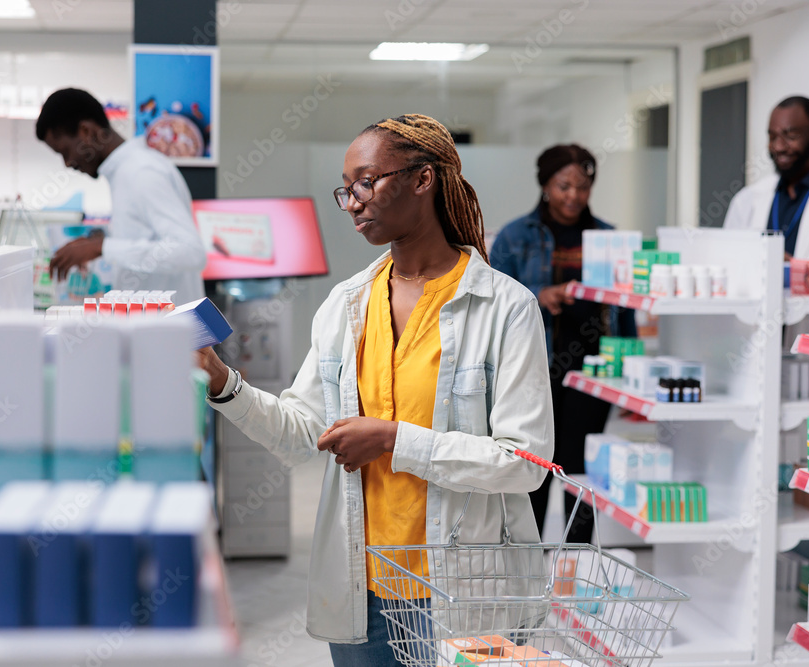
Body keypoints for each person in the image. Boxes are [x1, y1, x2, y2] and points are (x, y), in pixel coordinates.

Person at [198, 114, 553, 665]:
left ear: (422, 179)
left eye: (367, 181)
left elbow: (525, 462)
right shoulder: (346, 305)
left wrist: (393, 440)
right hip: (363, 591)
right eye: (347, 190)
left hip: (463, 593)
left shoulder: (505, 307)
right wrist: (222, 381)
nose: (355, 201)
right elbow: (301, 434)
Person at [489, 145, 635, 544]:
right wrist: (540, 295)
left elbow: (626, 308)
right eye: (564, 185)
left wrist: (630, 373)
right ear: (545, 184)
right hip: (537, 370)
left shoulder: (606, 236)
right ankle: (527, 562)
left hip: (594, 372)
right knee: (534, 468)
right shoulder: (515, 236)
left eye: (583, 186)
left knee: (582, 473)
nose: (573, 195)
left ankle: (578, 562)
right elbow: (494, 301)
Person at [35, 88, 206, 301]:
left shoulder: (141, 172)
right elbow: (149, 240)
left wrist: (103, 247)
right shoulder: (126, 172)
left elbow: (190, 252)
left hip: (168, 330)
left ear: (87, 131)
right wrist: (99, 243)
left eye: (65, 152)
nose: (68, 163)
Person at [724, 96, 809, 258]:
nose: (778, 147)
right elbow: (728, 261)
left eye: (791, 136)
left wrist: (796, 269)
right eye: (772, 137)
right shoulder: (747, 199)